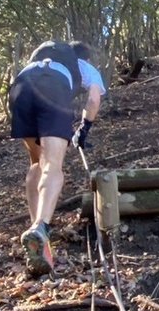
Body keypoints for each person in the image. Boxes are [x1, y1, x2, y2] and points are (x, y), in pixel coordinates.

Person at [8, 40, 106, 276]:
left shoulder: (39, 58)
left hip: (20, 88)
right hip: (53, 87)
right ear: (85, 58)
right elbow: (93, 101)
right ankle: (41, 227)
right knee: (52, 163)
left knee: (36, 163)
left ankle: (37, 232)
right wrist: (84, 129)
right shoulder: (84, 66)